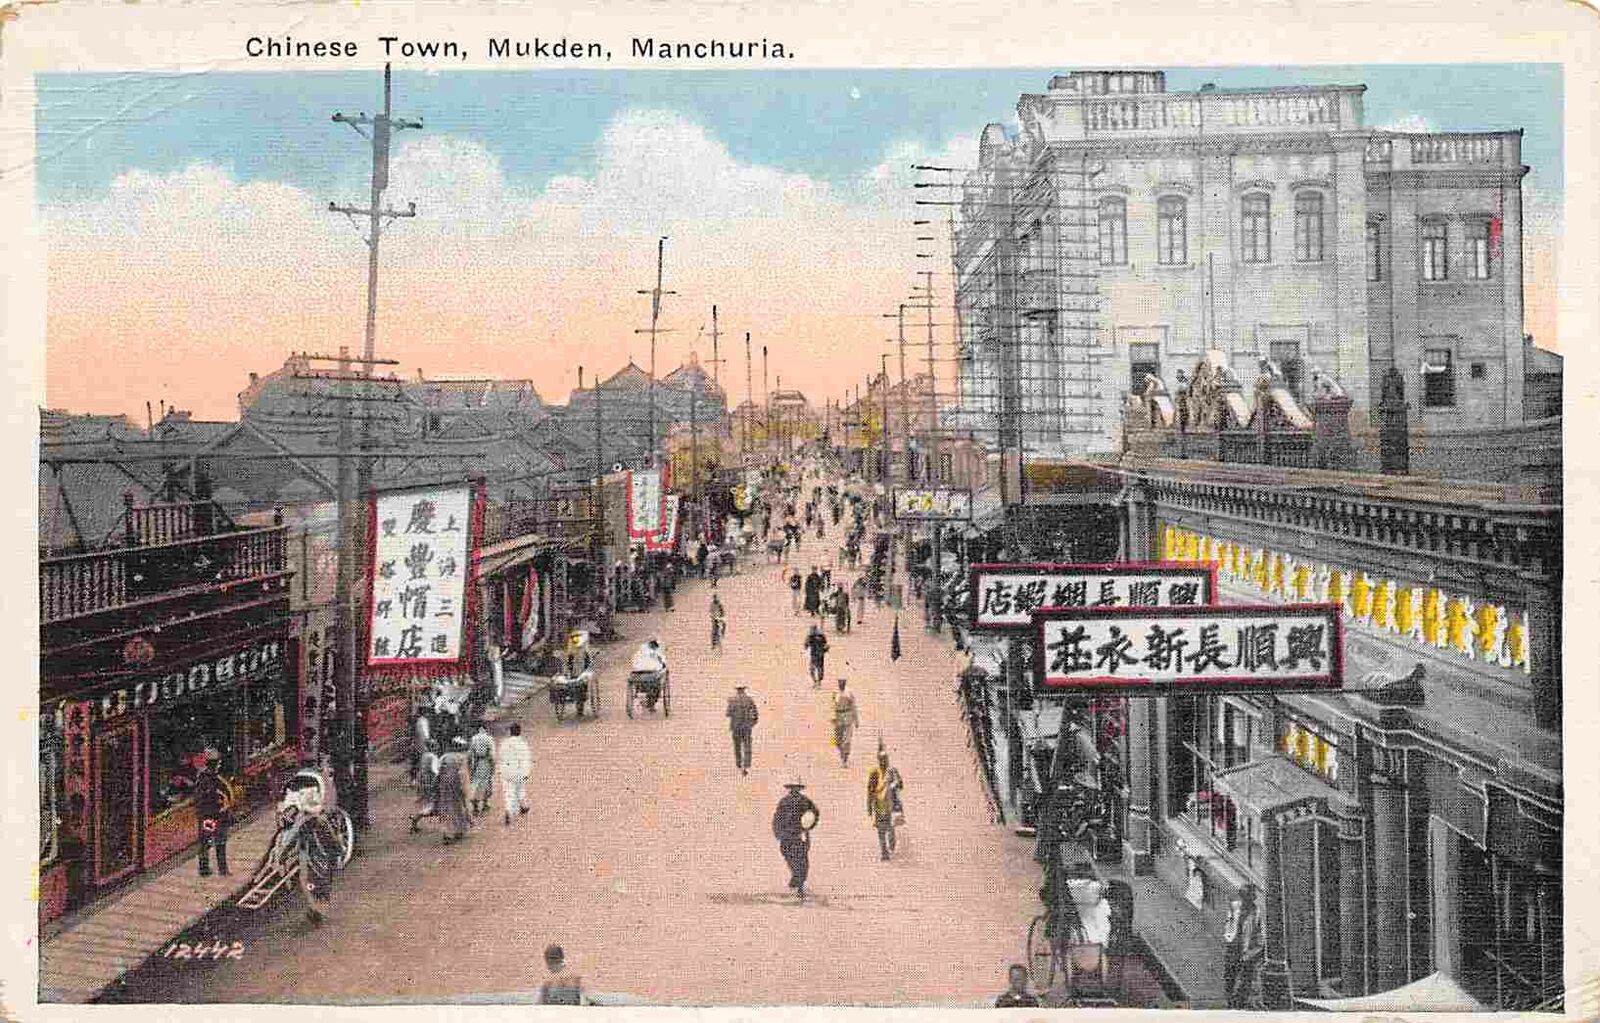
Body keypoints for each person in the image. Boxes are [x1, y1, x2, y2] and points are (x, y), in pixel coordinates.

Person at [772, 780, 820, 900]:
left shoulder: (787, 801)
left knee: (797, 863)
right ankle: (798, 884)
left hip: (792, 837)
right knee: (800, 863)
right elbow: (814, 815)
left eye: (796, 789)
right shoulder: (802, 801)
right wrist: (808, 827)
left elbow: (813, 815)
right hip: (793, 837)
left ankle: (798, 884)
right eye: (793, 789)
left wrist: (778, 834)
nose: (794, 792)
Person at [1224, 884, 1264, 1008]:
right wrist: (1228, 938)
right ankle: (1230, 1000)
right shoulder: (1233, 906)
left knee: (1246, 976)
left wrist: (1254, 950)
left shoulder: (1257, 911)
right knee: (1230, 975)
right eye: (1244, 897)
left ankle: (1240, 1002)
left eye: (1250, 898)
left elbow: (1260, 933)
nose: (1247, 901)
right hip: (1233, 946)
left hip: (1249, 949)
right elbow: (1229, 923)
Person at [193, 752, 229, 877]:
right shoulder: (213, 779)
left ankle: (204, 869)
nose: (220, 764)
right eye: (218, 762)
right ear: (216, 764)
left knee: (205, 843)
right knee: (219, 842)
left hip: (206, 817)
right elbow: (216, 797)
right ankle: (222, 870)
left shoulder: (202, 777)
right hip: (215, 816)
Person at [866, 748, 905, 861]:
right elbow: (870, 790)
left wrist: (894, 784)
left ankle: (891, 843)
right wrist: (869, 805)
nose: (884, 762)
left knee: (890, 827)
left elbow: (901, 785)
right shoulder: (874, 773)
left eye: (885, 760)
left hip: (890, 806)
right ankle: (884, 851)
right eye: (882, 760)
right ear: (879, 761)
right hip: (879, 805)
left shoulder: (892, 771)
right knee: (881, 830)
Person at [436, 737, 473, 844]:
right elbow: (463, 774)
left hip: (444, 785)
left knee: (446, 808)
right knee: (458, 807)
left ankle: (447, 832)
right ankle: (459, 830)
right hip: (456, 785)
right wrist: (465, 789)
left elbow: (438, 771)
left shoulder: (444, 757)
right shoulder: (461, 758)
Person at [497, 722, 531, 825]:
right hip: (518, 770)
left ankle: (509, 810)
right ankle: (523, 806)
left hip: (506, 771)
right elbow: (526, 759)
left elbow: (501, 757)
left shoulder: (504, 743)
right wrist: (526, 773)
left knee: (509, 792)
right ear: (519, 732)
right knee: (520, 790)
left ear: (510, 732)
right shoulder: (522, 744)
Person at [726, 685, 759, 775]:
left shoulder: (732, 700)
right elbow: (755, 714)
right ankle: (746, 765)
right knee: (747, 745)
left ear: (737, 690)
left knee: (737, 746)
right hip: (746, 726)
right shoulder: (749, 700)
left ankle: (739, 764)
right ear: (744, 690)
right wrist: (752, 722)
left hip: (736, 727)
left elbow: (727, 714)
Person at [410, 739, 442, 831]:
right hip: (430, 782)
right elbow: (435, 770)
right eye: (435, 745)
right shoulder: (433, 757)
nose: (437, 747)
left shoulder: (424, 755)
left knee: (428, 802)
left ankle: (415, 821)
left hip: (422, 782)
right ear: (432, 747)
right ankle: (416, 817)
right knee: (433, 803)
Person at [631, 638, 668, 712]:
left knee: (640, 684)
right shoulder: (658, 652)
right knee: (656, 686)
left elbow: (634, 663)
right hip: (653, 674)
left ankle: (640, 696)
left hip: (639, 674)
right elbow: (663, 664)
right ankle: (650, 704)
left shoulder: (640, 652)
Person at [468, 723, 496, 816]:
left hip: (476, 763)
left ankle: (475, 807)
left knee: (475, 784)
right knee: (486, 783)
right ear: (485, 729)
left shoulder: (473, 739)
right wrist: (493, 766)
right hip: (486, 763)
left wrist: (471, 767)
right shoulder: (489, 739)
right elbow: (492, 755)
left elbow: (470, 754)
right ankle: (485, 805)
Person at [831, 679, 860, 766]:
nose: (841, 684)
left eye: (843, 682)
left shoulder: (849, 693)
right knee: (837, 741)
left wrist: (856, 720)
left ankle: (845, 760)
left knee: (847, 740)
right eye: (840, 682)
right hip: (838, 718)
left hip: (847, 717)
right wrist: (832, 717)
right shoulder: (835, 692)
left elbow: (853, 706)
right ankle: (842, 754)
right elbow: (832, 706)